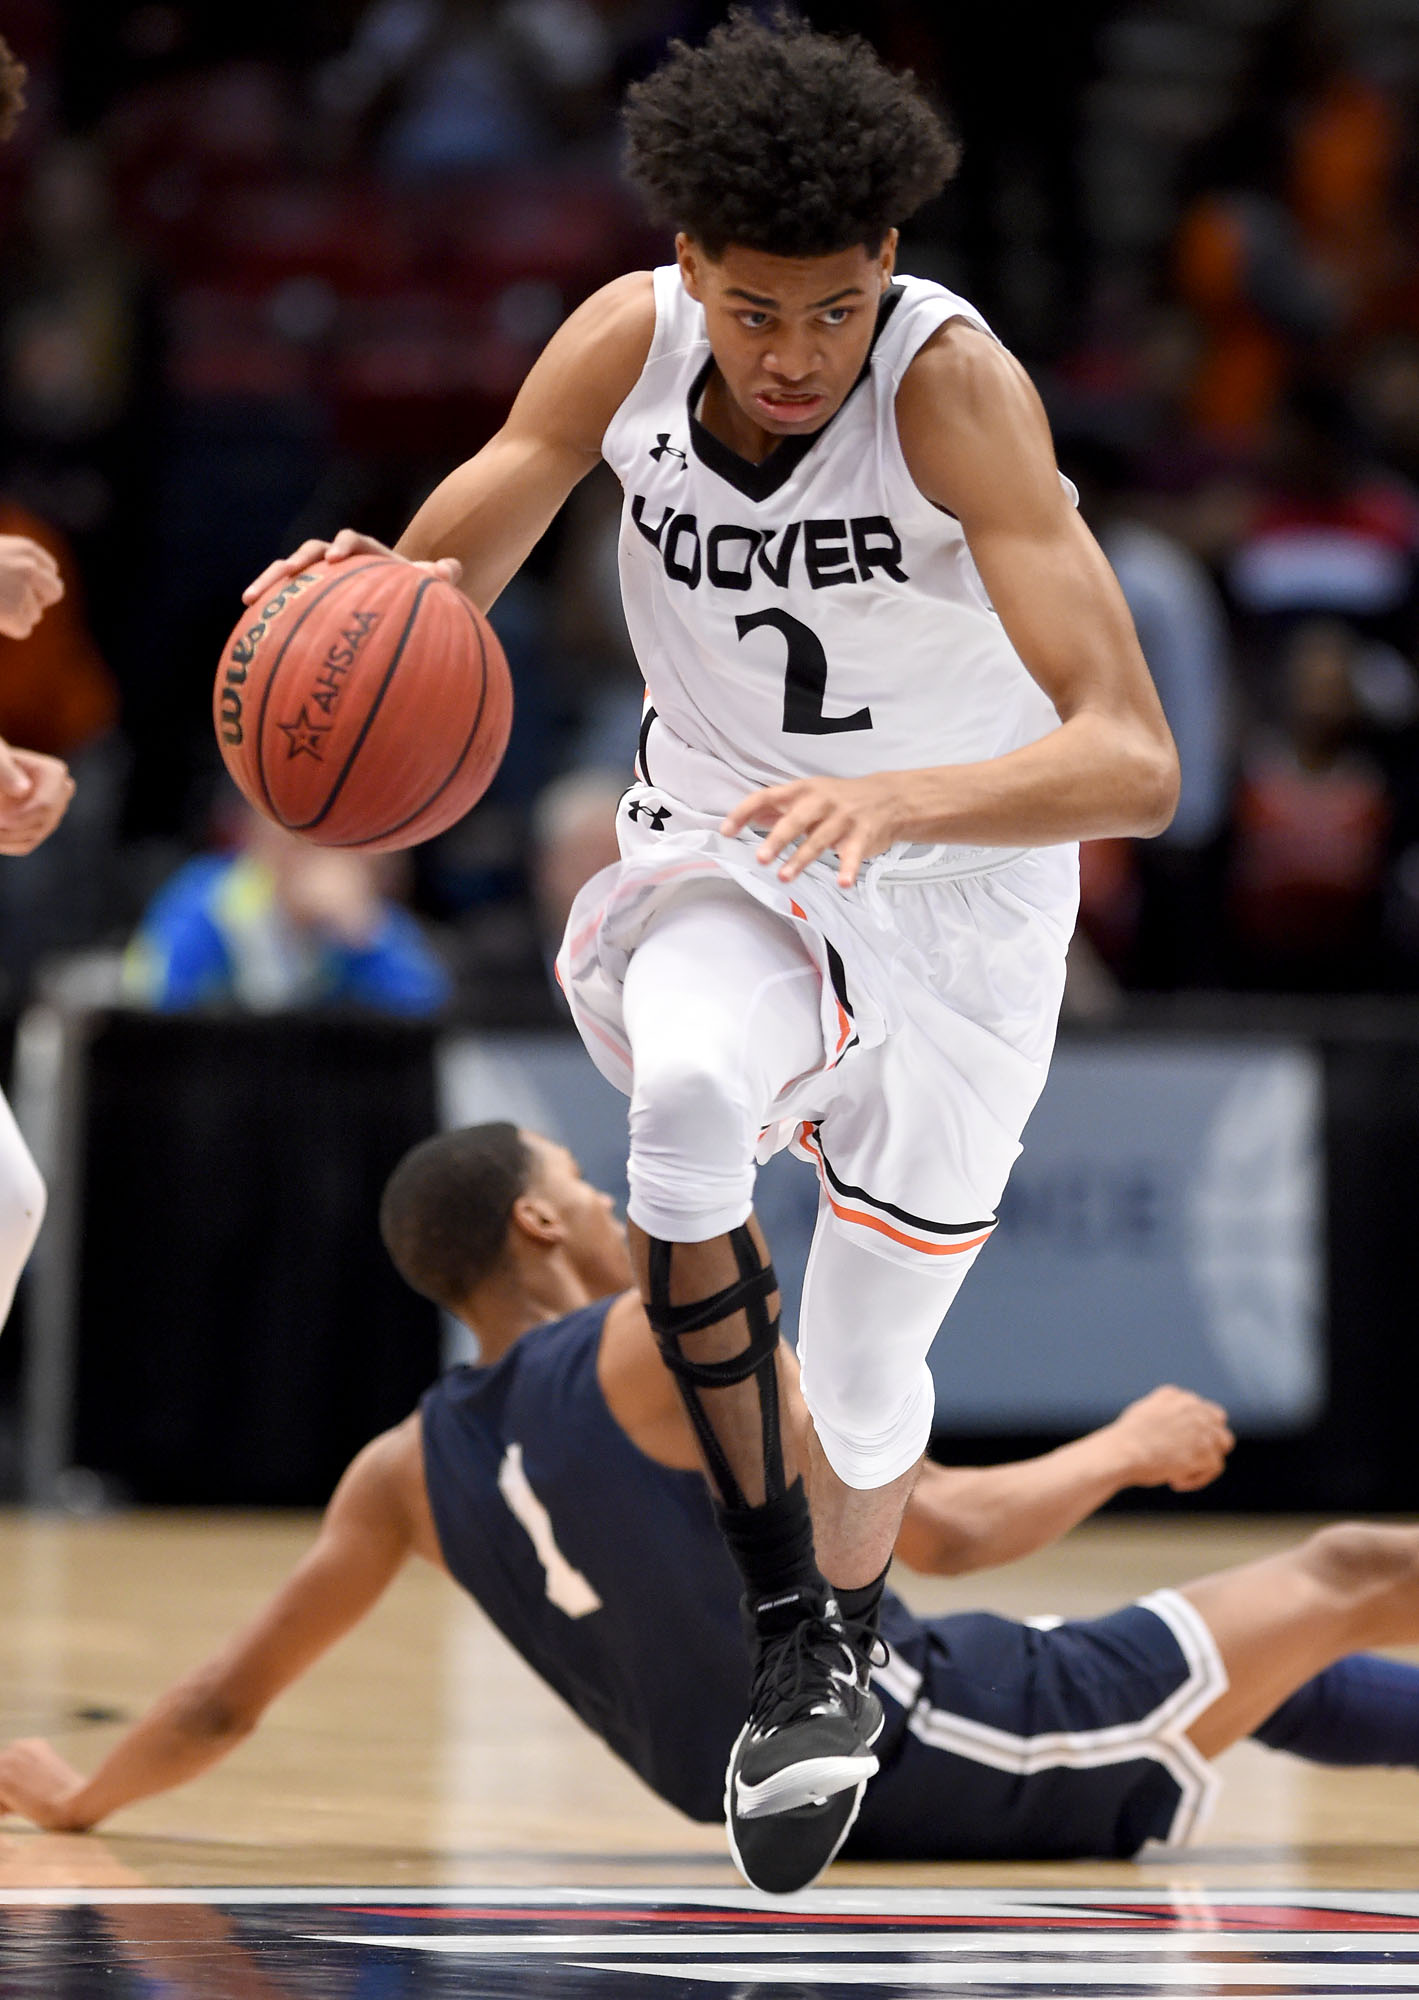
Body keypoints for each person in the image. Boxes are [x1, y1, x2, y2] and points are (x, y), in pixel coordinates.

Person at [243, 12, 1180, 1889]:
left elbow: (1132, 764)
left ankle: (840, 1620)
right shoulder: (623, 339)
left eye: (829, 311)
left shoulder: (950, 392)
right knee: (677, 1101)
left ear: (884, 273)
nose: (789, 355)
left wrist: (902, 806)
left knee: (862, 1376)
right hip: (730, 849)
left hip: (963, 890)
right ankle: (796, 1635)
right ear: (686, 268)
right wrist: (351, 608)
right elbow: (450, 577)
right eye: (754, 310)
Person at [8, 1124, 1419, 1890]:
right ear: (538, 1226)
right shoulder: (656, 1340)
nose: (614, 1197)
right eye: (576, 1176)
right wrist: (1125, 1442)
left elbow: (221, 1703)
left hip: (807, 1797)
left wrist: (84, 1801)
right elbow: (946, 1531)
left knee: (1276, 1682)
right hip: (943, 1742)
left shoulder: (399, 1473)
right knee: (1351, 1566)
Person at [122, 805, 451, 1016]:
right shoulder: (208, 899)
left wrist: (364, 936)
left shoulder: (367, 921)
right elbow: (151, 1004)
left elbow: (429, 1013)